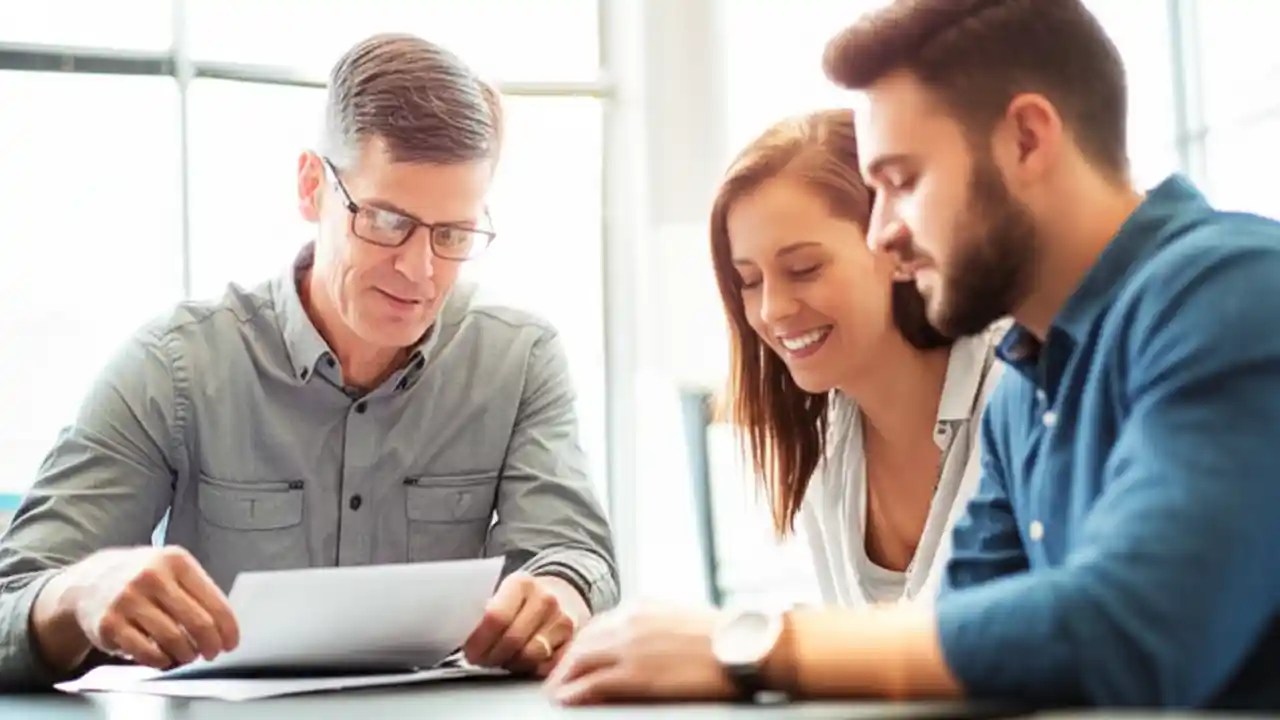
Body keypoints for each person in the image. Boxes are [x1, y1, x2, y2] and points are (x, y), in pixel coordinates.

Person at [546, 0, 1280, 709]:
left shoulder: (1234, 294)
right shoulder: (1027, 388)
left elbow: (1136, 621)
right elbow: (949, 645)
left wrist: (751, 645)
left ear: (1027, 139)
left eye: (902, 183)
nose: (883, 235)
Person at [0, 33, 616, 689]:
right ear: (311, 186)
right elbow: (13, 601)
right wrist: (74, 595)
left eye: (454, 235)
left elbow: (573, 557)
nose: (420, 271)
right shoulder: (174, 368)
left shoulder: (519, 359)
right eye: (385, 221)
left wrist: (563, 592)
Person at [711, 109, 1004, 606]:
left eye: (803, 269)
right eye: (750, 281)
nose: (772, 309)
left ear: (894, 242)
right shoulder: (827, 445)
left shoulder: (1012, 386)